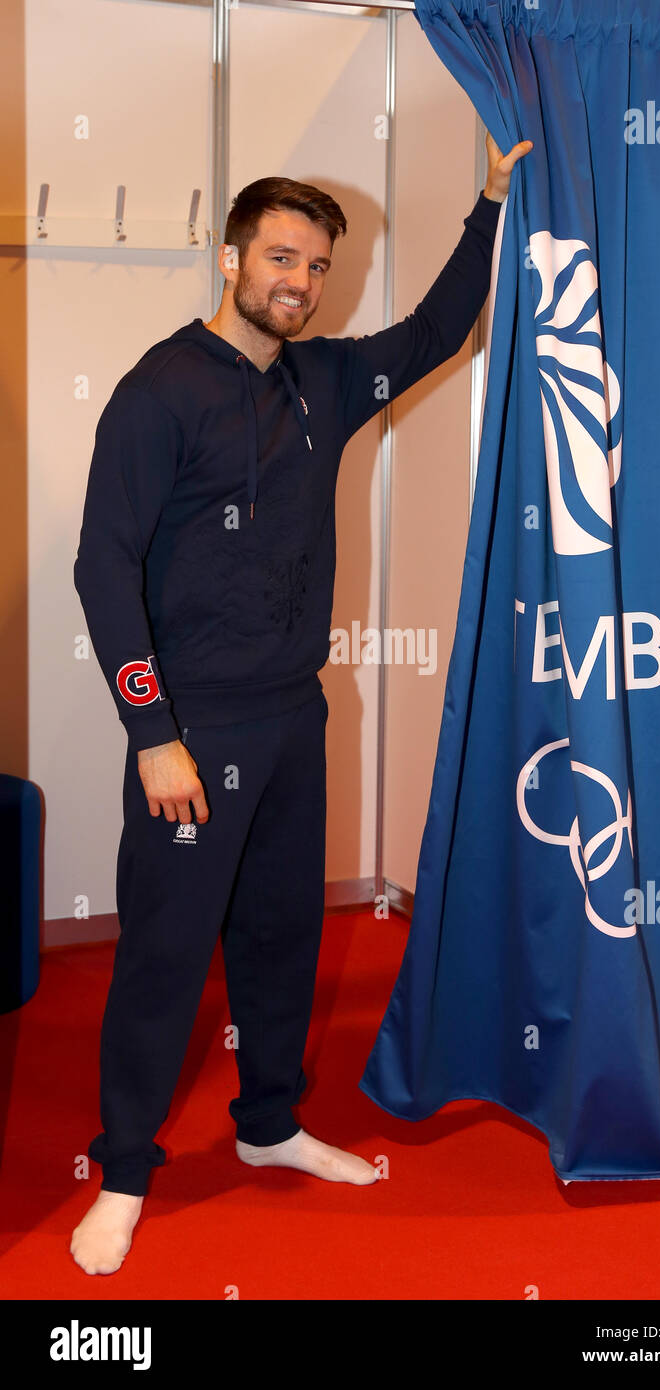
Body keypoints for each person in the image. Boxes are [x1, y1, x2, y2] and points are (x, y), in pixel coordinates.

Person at [69, 131, 532, 1275]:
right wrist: (151, 734)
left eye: (318, 266)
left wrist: (486, 207)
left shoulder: (324, 377)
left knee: (281, 938)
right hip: (192, 729)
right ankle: (123, 1165)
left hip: (291, 717)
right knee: (166, 955)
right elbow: (101, 568)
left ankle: (270, 1122)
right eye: (282, 258)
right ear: (230, 260)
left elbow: (433, 333)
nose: (301, 282)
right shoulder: (158, 391)